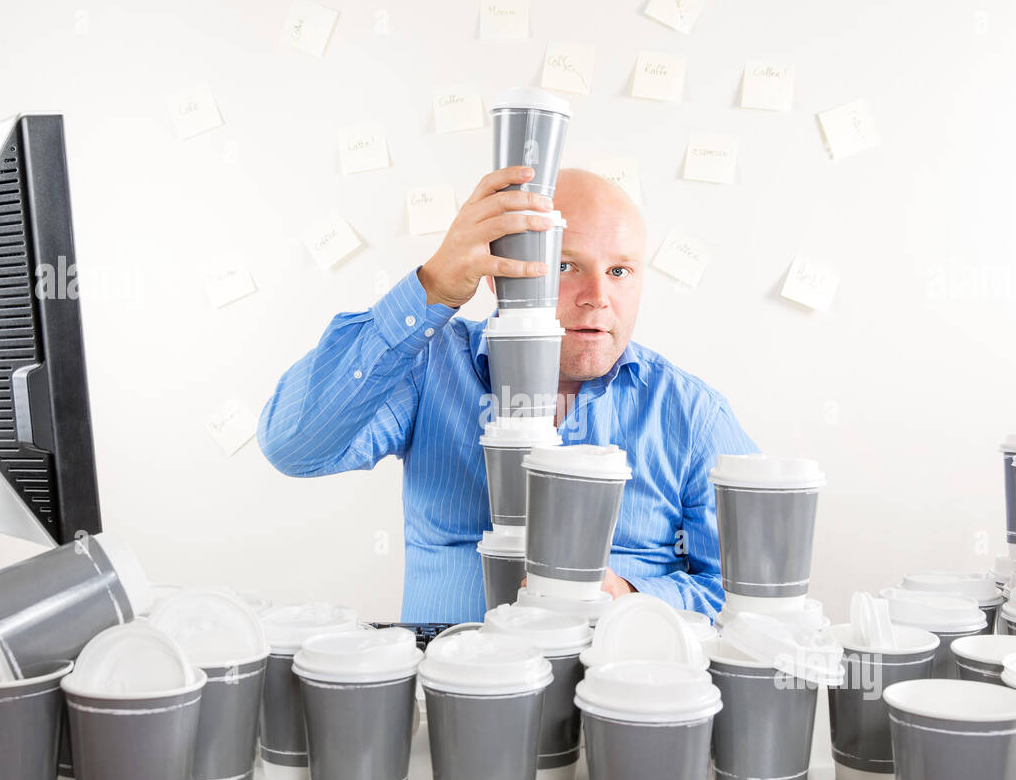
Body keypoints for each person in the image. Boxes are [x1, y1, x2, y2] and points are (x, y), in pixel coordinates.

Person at [257, 165, 757, 626]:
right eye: (565, 266)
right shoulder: (429, 368)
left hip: (613, 705)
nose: (598, 297)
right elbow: (293, 445)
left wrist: (631, 596)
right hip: (451, 697)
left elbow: (749, 597)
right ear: (498, 277)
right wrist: (431, 289)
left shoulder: (691, 415)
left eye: (619, 271)